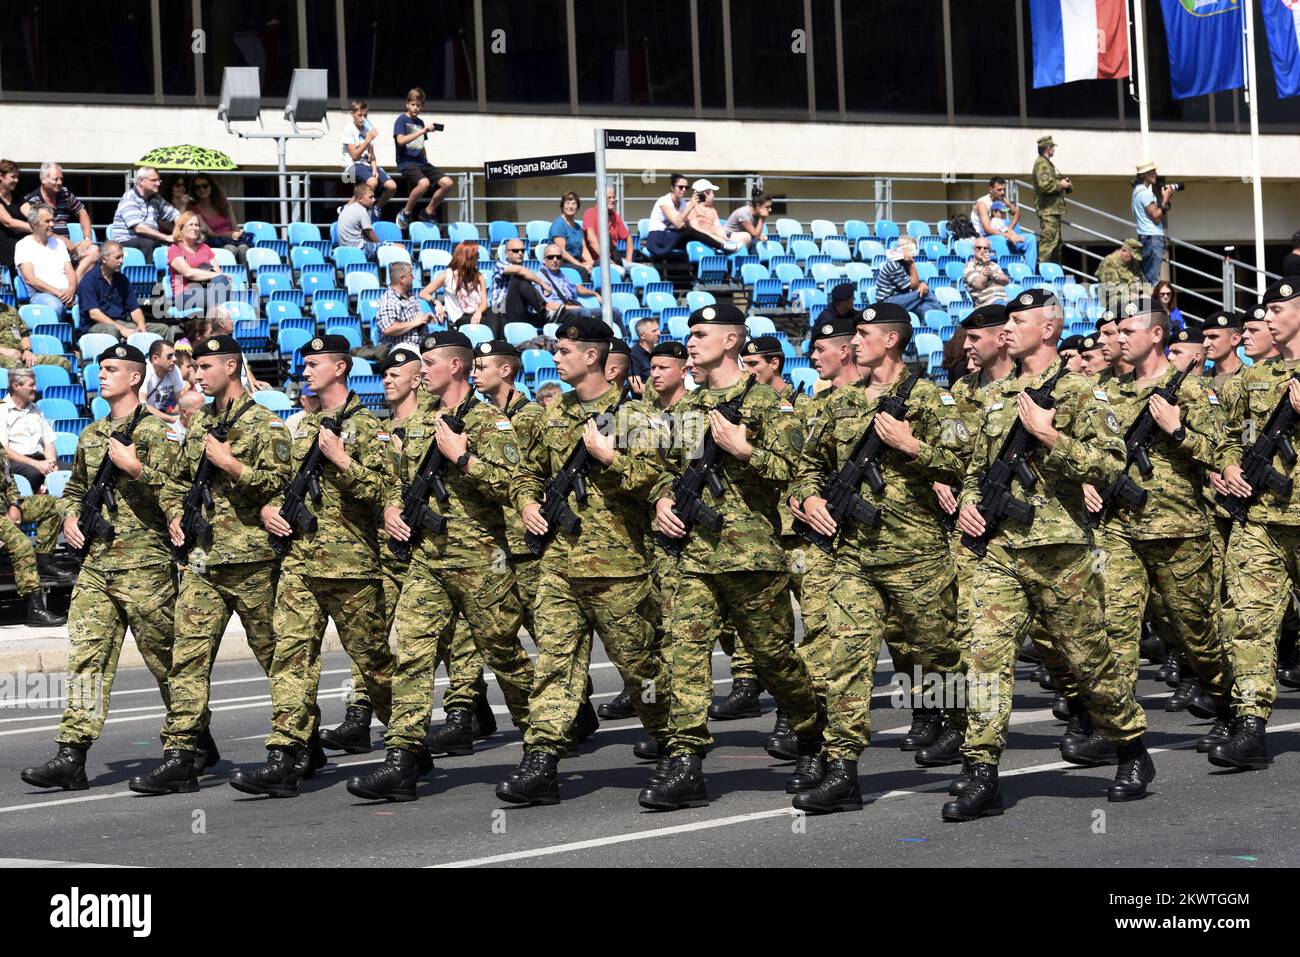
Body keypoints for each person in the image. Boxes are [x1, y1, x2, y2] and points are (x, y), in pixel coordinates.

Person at [947, 289, 1153, 820]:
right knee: (984, 659)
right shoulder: (996, 396)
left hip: (1060, 551)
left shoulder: (1083, 392)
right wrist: (970, 500)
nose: (1008, 329)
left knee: (1087, 660)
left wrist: (1050, 437)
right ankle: (980, 772)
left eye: (1019, 320)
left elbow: (1113, 467)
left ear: (1049, 329)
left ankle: (1130, 745)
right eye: (1007, 320)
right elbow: (975, 466)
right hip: (999, 552)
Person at [641, 303, 822, 810]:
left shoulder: (766, 403)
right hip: (691, 556)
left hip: (751, 556)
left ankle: (811, 733)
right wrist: (660, 498)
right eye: (689, 334)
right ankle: (685, 761)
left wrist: (746, 452)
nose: (691, 342)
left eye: (700, 334)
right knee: (684, 656)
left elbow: (795, 471)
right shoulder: (681, 410)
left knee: (773, 658)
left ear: (731, 340)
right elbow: (657, 468)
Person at [791, 302, 970, 813]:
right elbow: (804, 467)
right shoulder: (837, 404)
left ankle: (971, 743)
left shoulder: (930, 398)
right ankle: (843, 768)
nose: (856, 342)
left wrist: (915, 448)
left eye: (865, 333)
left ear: (891, 340)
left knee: (940, 657)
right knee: (845, 660)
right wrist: (808, 499)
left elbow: (965, 462)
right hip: (853, 557)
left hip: (917, 557)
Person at [346, 331, 536, 801]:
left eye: (430, 362)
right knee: (411, 656)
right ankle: (402, 760)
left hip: (481, 563)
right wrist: (392, 508)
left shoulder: (491, 422)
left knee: (504, 654)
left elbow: (515, 484)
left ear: (455, 367)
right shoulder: (414, 426)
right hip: (428, 562)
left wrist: (464, 459)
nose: (422, 370)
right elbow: (394, 480)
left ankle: (540, 743)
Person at [494, 317, 668, 806]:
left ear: (592, 356)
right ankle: (541, 759)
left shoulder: (634, 418)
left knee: (639, 668)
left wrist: (611, 459)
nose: (555, 357)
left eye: (564, 349)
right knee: (555, 664)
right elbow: (526, 471)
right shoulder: (553, 414)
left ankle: (674, 743)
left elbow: (657, 483)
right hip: (558, 564)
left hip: (618, 567)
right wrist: (527, 501)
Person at [232, 334, 397, 797]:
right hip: (300, 562)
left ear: (340, 368)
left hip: (351, 567)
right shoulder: (301, 428)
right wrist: (268, 507)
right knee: (290, 658)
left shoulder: (368, 428)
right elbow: (279, 484)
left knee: (374, 662)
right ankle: (285, 753)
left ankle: (408, 740)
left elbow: (389, 493)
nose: (304, 370)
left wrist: (343, 460)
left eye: (314, 363)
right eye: (303, 363)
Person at [128, 334, 293, 795]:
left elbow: (285, 489)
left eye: (205, 367)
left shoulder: (266, 424)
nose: (197, 374)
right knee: (187, 659)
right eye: (194, 368)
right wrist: (175, 511)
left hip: (253, 562)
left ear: (231, 367)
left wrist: (234, 466)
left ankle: (295, 746)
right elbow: (177, 479)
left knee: (277, 658)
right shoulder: (199, 422)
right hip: (203, 562)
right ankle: (181, 755)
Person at [20, 343, 177, 791]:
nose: (102, 374)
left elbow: (177, 496)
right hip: (97, 567)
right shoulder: (91, 435)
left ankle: (189, 741)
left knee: (166, 661)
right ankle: (72, 755)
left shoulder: (157, 433)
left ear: (134, 378)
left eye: (112, 369)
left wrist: (137, 469)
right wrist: (69, 516)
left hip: (145, 567)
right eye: (100, 368)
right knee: (88, 659)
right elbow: (74, 489)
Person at [1082, 301, 1228, 755]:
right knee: (1114, 628)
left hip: (1177, 527)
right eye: (1117, 330)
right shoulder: (1107, 389)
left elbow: (1221, 453)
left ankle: (1232, 705)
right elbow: (1092, 446)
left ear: (1157, 335)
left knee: (1194, 630)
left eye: (1128, 330)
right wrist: (1088, 479)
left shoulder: (1190, 389)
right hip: (1119, 527)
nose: (1119, 337)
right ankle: (1118, 732)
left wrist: (1178, 429)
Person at [1209, 278, 1300, 770]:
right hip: (1261, 520)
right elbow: (1224, 437)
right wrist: (1227, 467)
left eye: (1280, 307)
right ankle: (1250, 728)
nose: (1269, 315)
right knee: (1249, 622)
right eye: (1266, 308)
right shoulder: (1251, 379)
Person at [0, 466, 64, 625]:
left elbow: (8, 479)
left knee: (53, 505)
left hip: (6, 508)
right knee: (23, 545)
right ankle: (35, 608)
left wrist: (14, 506)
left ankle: (43, 561)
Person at [77, 241, 175, 341]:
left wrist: (142, 328)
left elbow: (135, 309)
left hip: (123, 323)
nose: (122, 261)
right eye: (117, 257)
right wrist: (122, 329)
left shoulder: (122, 279)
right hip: (97, 326)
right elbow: (94, 314)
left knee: (163, 329)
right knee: (112, 331)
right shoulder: (89, 280)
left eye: (122, 257)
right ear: (103, 259)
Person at [21, 162, 98, 281]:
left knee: (94, 250)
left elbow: (82, 212)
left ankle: (73, 284)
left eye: (61, 179)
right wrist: (65, 241)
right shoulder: (33, 201)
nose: (59, 182)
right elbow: (37, 230)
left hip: (68, 250)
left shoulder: (65, 193)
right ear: (43, 179)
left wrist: (87, 238)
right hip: (47, 249)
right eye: (55, 179)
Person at [393, 87, 454, 230]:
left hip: (421, 162)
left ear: (422, 107)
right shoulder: (401, 120)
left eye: (418, 105)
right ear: (407, 104)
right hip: (406, 162)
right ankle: (405, 212)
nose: (415, 108)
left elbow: (421, 145)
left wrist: (426, 160)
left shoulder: (420, 122)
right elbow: (401, 141)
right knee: (424, 183)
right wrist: (423, 130)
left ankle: (428, 211)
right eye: (413, 104)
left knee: (448, 183)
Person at [536, 244, 620, 331]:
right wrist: (575, 308)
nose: (555, 260)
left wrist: (594, 293)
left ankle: (621, 342)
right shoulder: (540, 278)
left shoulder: (560, 274)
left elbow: (576, 288)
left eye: (558, 257)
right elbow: (549, 305)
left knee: (613, 311)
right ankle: (592, 342)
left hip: (572, 310)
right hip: (557, 313)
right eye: (551, 257)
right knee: (584, 312)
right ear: (544, 259)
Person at [14, 204, 76, 320]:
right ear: (34, 225)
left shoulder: (59, 243)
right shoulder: (23, 245)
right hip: (41, 294)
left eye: (52, 220)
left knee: (92, 303)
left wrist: (71, 289)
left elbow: (70, 271)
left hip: (67, 293)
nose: (52, 224)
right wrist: (59, 293)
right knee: (55, 308)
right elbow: (30, 279)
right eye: (47, 221)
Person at [0, 368, 58, 489]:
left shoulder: (35, 408)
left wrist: (52, 463)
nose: (35, 388)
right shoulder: (2, 410)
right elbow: (4, 450)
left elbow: (48, 441)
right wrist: (37, 464)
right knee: (33, 474)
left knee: (73, 471)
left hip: (41, 459)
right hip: (17, 462)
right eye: (31, 385)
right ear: (16, 386)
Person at [167, 210, 231, 315]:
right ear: (181, 229)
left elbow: (218, 275)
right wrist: (216, 274)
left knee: (221, 280)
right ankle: (217, 323)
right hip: (184, 294)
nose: (195, 228)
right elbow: (189, 273)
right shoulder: (174, 249)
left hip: (208, 289)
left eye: (197, 225)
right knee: (217, 293)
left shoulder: (205, 248)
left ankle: (213, 323)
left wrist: (218, 275)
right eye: (191, 225)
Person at [419, 241, 490, 333]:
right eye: (476, 254)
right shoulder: (448, 274)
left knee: (498, 313)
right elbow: (423, 293)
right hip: (460, 317)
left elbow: (484, 302)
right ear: (468, 257)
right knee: (487, 322)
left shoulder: (478, 275)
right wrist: (436, 302)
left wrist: (479, 312)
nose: (479, 257)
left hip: (478, 313)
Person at [109, 167, 180, 260]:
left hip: (150, 241)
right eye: (154, 180)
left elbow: (174, 214)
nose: (158, 184)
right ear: (142, 181)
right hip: (126, 242)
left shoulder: (156, 198)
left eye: (159, 180)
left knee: (178, 245)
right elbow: (139, 228)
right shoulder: (130, 197)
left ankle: (177, 274)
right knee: (148, 244)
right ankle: (151, 274)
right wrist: (166, 237)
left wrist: (182, 229)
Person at [970, 176, 1037, 268]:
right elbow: (987, 229)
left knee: (1030, 239)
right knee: (1003, 240)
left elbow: (1017, 214)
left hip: (999, 234)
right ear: (990, 189)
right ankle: (1008, 271)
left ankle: (1028, 272)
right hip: (984, 237)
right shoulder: (982, 203)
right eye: (999, 190)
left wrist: (1009, 228)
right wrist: (1007, 235)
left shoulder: (1001, 199)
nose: (1002, 192)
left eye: (1004, 189)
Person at [341, 99, 397, 208]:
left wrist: (374, 169)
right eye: (360, 115)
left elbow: (372, 153)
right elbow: (355, 156)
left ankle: (377, 209)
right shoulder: (348, 129)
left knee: (392, 186)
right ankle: (347, 208)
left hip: (367, 165)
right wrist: (367, 140)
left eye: (365, 115)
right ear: (352, 115)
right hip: (353, 165)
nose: (363, 119)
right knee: (372, 182)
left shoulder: (368, 129)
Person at [372, 261, 430, 356]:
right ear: (402, 279)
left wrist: (424, 319)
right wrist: (414, 323)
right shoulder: (389, 300)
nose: (413, 278)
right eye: (411, 275)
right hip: (400, 349)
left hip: (419, 345)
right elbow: (388, 329)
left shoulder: (410, 295)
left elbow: (416, 321)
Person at [0, 299, 73, 374]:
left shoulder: (10, 310)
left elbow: (24, 334)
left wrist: (27, 351)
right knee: (16, 366)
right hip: (4, 357)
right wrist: (6, 351)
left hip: (21, 356)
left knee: (63, 363)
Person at [1132, 160, 1175, 286]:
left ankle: (1147, 305)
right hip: (1152, 238)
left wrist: (1164, 203)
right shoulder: (1145, 193)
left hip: (1146, 237)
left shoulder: (1137, 191)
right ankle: (1152, 305)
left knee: (1147, 277)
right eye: (1153, 172)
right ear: (1146, 175)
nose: (1156, 174)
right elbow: (1156, 216)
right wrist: (1165, 198)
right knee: (1153, 280)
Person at [875, 238, 943, 316]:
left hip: (902, 299)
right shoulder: (894, 265)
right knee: (926, 292)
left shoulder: (904, 264)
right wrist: (912, 265)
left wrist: (922, 285)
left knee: (925, 308)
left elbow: (915, 286)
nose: (915, 253)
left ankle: (935, 321)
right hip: (888, 302)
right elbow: (914, 286)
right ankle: (941, 313)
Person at [1032, 136, 1071, 265]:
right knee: (1048, 244)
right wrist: (1061, 185)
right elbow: (1045, 186)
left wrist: (1065, 184)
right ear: (1048, 148)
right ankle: (1043, 273)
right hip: (1048, 210)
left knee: (1055, 243)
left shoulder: (1046, 163)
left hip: (1052, 210)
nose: (1054, 149)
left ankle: (1053, 273)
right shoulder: (1042, 164)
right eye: (1053, 147)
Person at [189, 176, 248, 260]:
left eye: (205, 186)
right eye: (197, 187)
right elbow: (211, 234)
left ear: (211, 187)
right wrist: (228, 234)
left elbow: (235, 228)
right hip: (215, 242)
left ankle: (246, 273)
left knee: (243, 248)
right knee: (231, 249)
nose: (201, 189)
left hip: (232, 238)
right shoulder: (195, 209)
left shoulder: (224, 204)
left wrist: (236, 234)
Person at [680, 180, 740, 253]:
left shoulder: (712, 209)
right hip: (701, 239)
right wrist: (715, 238)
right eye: (712, 192)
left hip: (715, 239)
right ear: (706, 193)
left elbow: (717, 227)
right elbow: (696, 228)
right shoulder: (690, 206)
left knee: (742, 238)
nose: (713, 195)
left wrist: (723, 236)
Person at [583, 186, 637, 268]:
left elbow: (629, 238)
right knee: (619, 271)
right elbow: (591, 240)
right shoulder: (590, 213)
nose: (612, 200)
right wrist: (606, 259)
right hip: (597, 261)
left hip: (614, 259)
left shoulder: (615, 216)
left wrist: (628, 260)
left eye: (613, 197)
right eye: (609, 198)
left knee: (645, 270)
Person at [644, 173, 695, 258]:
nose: (684, 190)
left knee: (694, 234)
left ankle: (718, 246)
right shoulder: (664, 201)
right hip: (658, 237)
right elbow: (678, 224)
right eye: (681, 187)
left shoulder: (682, 203)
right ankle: (720, 245)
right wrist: (690, 206)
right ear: (672, 187)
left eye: (686, 187)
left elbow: (685, 224)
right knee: (692, 233)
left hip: (673, 235)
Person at [336, 183, 390, 261]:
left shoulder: (347, 208)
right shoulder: (361, 211)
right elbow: (369, 232)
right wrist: (381, 245)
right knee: (395, 248)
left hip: (346, 250)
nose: (374, 200)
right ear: (360, 198)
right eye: (370, 197)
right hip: (359, 250)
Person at [549, 192, 594, 279]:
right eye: (567, 203)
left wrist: (590, 262)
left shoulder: (578, 227)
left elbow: (584, 250)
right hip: (562, 263)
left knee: (599, 265)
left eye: (574, 203)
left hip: (576, 262)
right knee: (582, 270)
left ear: (577, 207)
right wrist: (581, 265)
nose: (570, 206)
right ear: (562, 206)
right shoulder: (558, 224)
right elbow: (562, 252)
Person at [140, 340, 184, 423]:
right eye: (169, 356)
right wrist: (169, 419)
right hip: (143, 417)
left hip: (162, 415)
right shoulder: (144, 370)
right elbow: (142, 405)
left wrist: (174, 410)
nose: (174, 359)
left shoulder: (174, 369)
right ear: (155, 359)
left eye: (175, 355)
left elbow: (181, 400)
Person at [1096, 239, 1147, 305]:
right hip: (1112, 301)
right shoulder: (1109, 263)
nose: (1133, 260)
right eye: (1132, 256)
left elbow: (1142, 281)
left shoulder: (1132, 263)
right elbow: (1111, 291)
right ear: (1123, 250)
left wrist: (1145, 292)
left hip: (1133, 299)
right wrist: (1131, 296)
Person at [962, 238, 1010, 307]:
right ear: (973, 250)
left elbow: (1006, 281)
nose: (982, 250)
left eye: (985, 248)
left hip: (1003, 299)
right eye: (979, 248)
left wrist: (993, 274)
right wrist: (986, 267)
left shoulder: (994, 265)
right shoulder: (969, 266)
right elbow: (979, 285)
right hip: (987, 303)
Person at [1201, 310, 1243, 388]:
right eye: (1204, 338)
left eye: (1213, 337)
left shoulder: (1249, 377)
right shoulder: (1201, 381)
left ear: (1235, 339)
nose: (1205, 344)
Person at [0, 159, 29, 272]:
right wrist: (36, 227)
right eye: (13, 177)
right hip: (4, 245)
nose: (16, 180)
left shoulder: (18, 197)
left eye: (17, 177)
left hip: (20, 241)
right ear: (1, 176)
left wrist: (41, 220)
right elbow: (8, 222)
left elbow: (31, 213)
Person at [629, 316, 658, 387]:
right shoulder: (633, 355)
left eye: (658, 330)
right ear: (642, 335)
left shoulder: (659, 351)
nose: (658, 333)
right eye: (654, 331)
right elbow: (637, 387)